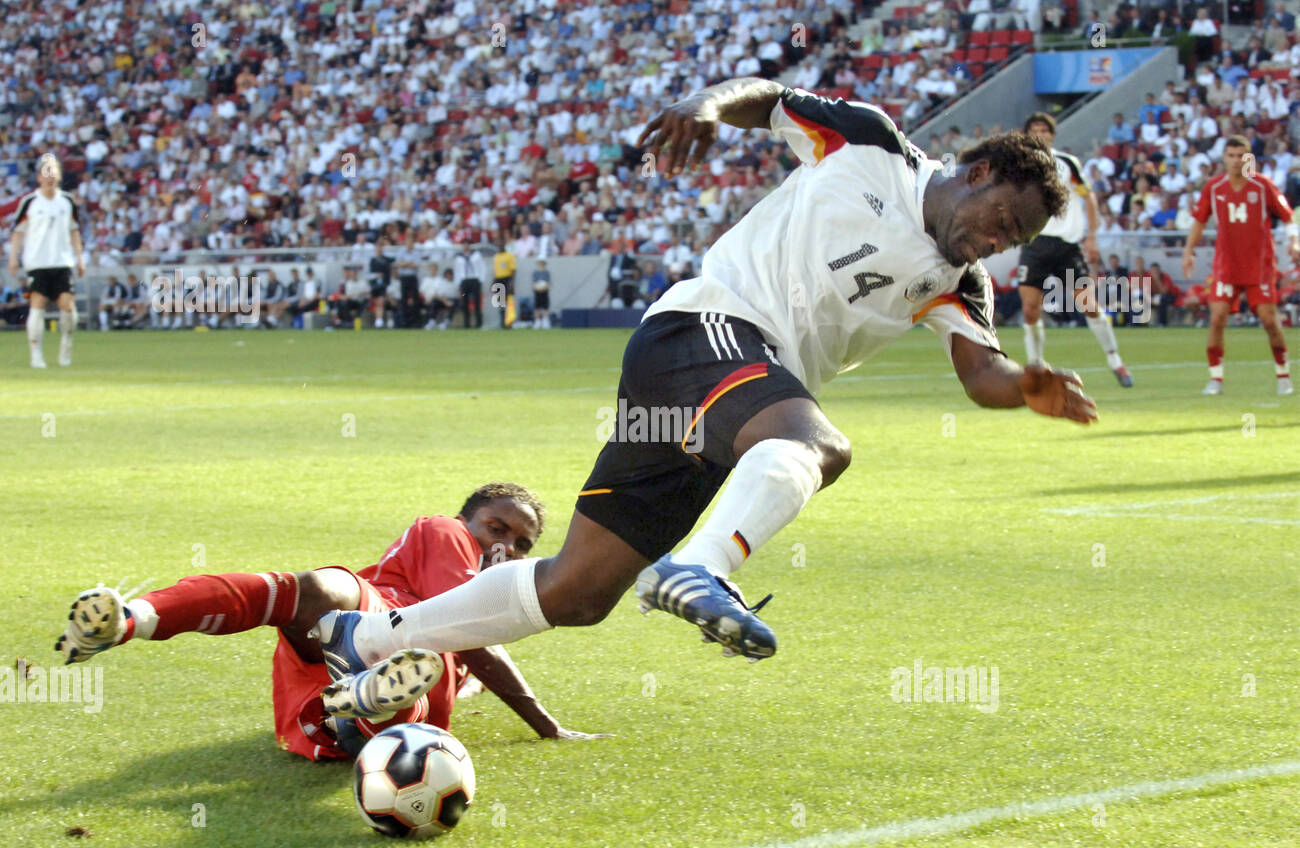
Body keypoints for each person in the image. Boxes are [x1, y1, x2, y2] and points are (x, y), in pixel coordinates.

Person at [304, 78, 1096, 692]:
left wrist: (1027, 387)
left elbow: (980, 372)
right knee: (817, 443)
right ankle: (705, 567)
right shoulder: (872, 146)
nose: (996, 245)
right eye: (1001, 221)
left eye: (1012, 242)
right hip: (705, 327)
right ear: (979, 171)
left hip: (723, 402)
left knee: (579, 591)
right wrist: (703, 106)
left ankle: (369, 640)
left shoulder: (959, 281)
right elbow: (769, 99)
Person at [55, 483, 607, 760]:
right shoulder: (444, 531)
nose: (504, 547)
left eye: (521, 545)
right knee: (323, 591)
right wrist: (544, 724)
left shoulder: (483, 595)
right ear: (465, 520)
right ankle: (126, 620)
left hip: (373, 685)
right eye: (496, 528)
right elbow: (478, 636)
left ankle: (368, 702)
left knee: (417, 660)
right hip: (362, 627)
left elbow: (474, 643)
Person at [1017, 113, 1134, 385]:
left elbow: (1088, 196)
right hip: (1034, 244)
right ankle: (1035, 365)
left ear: (1052, 135)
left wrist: (1092, 237)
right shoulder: (1018, 167)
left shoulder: (1067, 163)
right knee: (1030, 309)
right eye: (1034, 130)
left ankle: (1115, 359)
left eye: (1045, 130)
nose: (1040, 134)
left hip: (1067, 246)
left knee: (1089, 305)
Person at [1182, 135, 1299, 395]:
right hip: (1226, 267)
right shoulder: (1214, 187)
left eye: (1241, 156)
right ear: (1224, 158)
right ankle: (1215, 379)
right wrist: (1188, 250)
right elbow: (1200, 220)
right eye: (1231, 156)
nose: (1236, 161)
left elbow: (1288, 215)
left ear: (1250, 159)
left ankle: (1283, 376)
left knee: (1269, 321)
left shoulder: (1263, 186)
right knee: (1217, 318)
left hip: (1259, 266)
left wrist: (1294, 240)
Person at [8, 153, 85, 368]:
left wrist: (80, 258)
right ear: (39, 177)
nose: (50, 176)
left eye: (54, 171)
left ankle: (66, 347)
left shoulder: (67, 201)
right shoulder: (30, 202)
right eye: (46, 172)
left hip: (62, 261)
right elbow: (17, 232)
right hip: (37, 262)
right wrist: (13, 258)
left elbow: (75, 231)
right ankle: (36, 355)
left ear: (59, 176)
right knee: (38, 306)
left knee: (67, 306)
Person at [532, 259, 552, 329]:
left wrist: (544, 288)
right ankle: (537, 321)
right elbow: (533, 283)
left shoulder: (547, 273)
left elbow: (549, 282)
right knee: (537, 306)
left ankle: (545, 321)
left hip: (545, 291)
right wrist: (538, 288)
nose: (541, 264)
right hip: (537, 291)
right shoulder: (535, 273)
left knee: (545, 306)